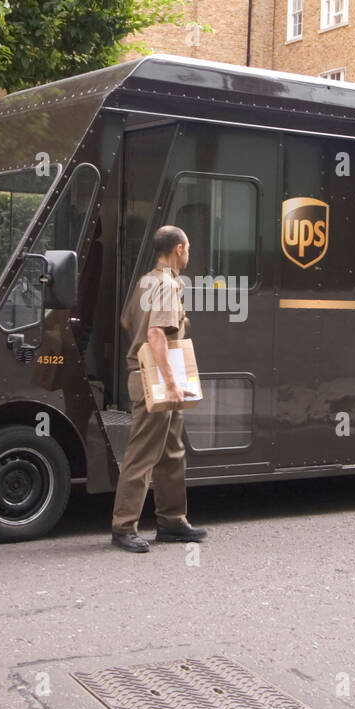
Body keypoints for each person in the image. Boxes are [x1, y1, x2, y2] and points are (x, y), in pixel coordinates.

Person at [110, 226, 208, 553]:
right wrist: (170, 382)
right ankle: (123, 527)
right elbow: (154, 335)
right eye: (189, 247)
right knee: (142, 456)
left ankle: (172, 521)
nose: (189, 252)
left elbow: (128, 322)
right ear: (179, 248)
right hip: (157, 380)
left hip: (148, 374)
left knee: (171, 453)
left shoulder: (146, 281)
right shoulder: (165, 285)